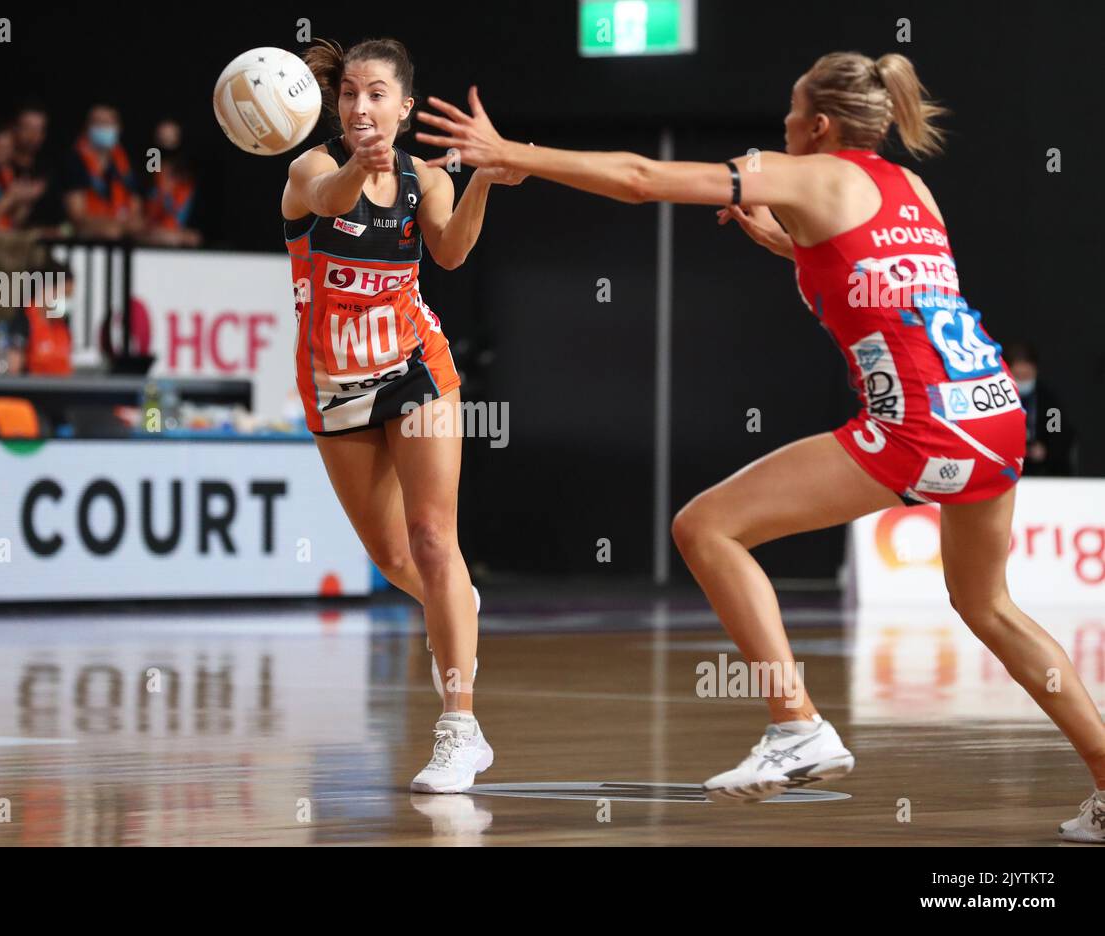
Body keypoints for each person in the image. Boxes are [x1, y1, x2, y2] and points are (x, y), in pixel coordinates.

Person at [416, 52, 1105, 842]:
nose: (779, 126)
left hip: (920, 422)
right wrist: (786, 245)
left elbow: (642, 179)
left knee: (705, 528)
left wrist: (514, 156)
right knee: (987, 603)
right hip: (992, 412)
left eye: (789, 113)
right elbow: (885, 280)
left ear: (818, 125)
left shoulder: (802, 171)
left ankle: (797, 724)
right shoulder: (911, 189)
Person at [285, 37, 523, 793]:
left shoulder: (426, 179)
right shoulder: (312, 171)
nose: (362, 107)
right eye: (350, 93)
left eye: (378, 93)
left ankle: (459, 729)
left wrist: (482, 178)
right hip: (334, 380)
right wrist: (361, 166)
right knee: (396, 560)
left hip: (418, 367)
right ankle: (455, 600)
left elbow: (449, 253)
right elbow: (327, 203)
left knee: (431, 537)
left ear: (405, 105)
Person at [63, 105, 141, 238]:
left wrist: (127, 225)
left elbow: (136, 207)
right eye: (97, 123)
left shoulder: (125, 163)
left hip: (121, 232)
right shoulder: (74, 161)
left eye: (108, 123)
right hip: (85, 237)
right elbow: (76, 214)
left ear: (118, 128)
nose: (103, 127)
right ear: (87, 128)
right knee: (110, 232)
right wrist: (110, 226)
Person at [1004, 341, 1074, 476]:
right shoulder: (998, 400)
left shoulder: (1048, 402)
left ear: (1035, 370)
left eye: (1027, 375)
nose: (1023, 380)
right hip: (1007, 467)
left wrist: (1046, 450)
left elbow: (1058, 434)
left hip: (1041, 470)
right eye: (1018, 376)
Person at [6, 262, 74, 376]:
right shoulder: (24, 321)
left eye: (70, 296)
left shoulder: (62, 324)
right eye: (64, 295)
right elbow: (14, 368)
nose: (67, 301)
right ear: (46, 289)